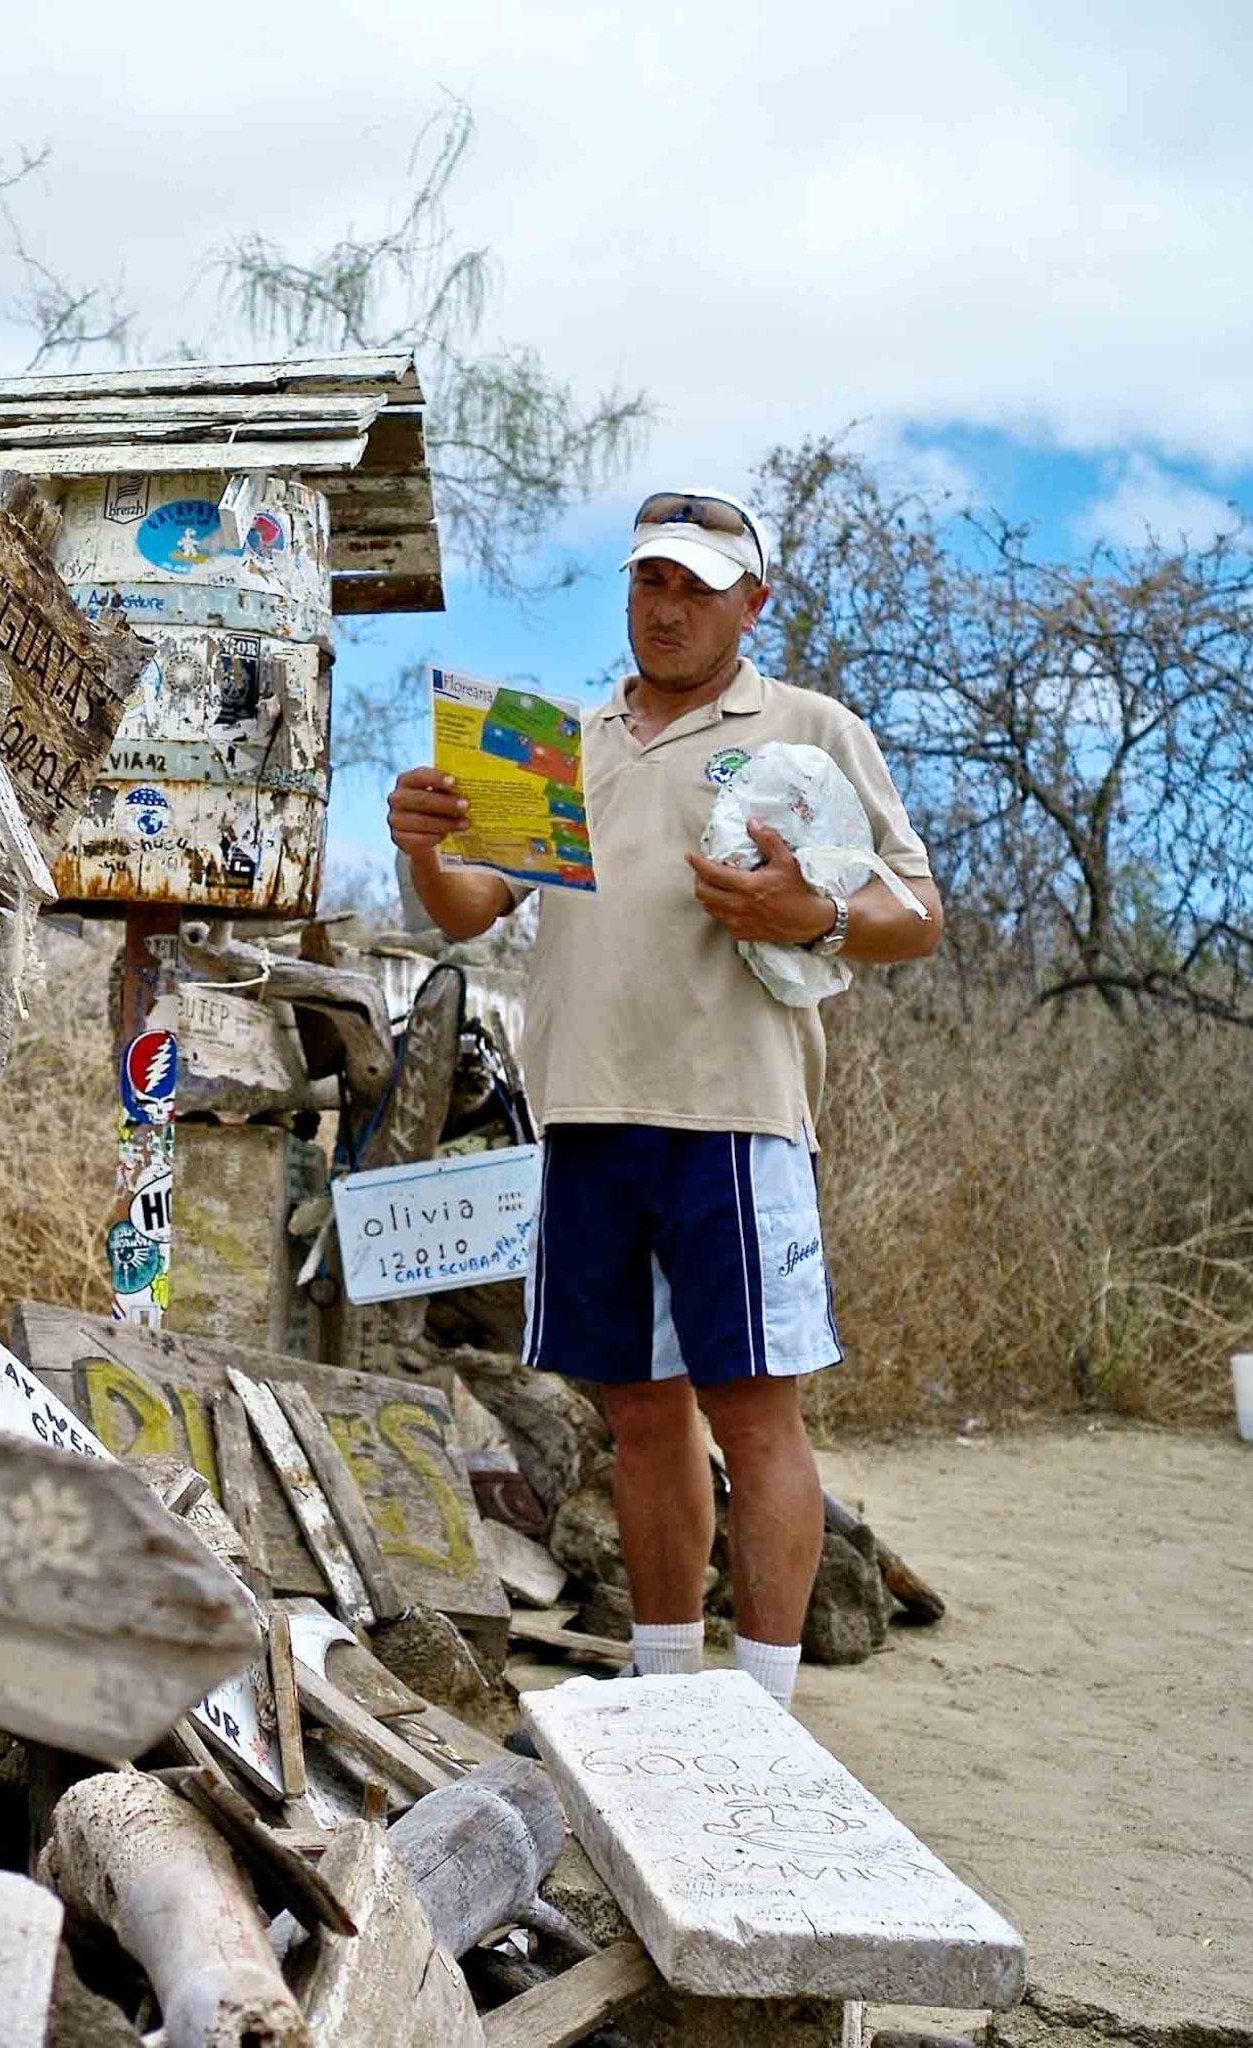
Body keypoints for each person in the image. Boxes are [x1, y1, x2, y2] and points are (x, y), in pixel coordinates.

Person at [386, 488, 943, 1708]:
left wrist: (823, 915)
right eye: (651, 581)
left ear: (755, 600)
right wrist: (424, 842)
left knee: (754, 1415)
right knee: (643, 1414)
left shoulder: (806, 726)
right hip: (586, 1116)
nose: (670, 608)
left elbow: (918, 915)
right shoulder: (562, 742)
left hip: (732, 1118)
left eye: (698, 585)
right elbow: (469, 912)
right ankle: (666, 1694)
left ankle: (767, 1712)